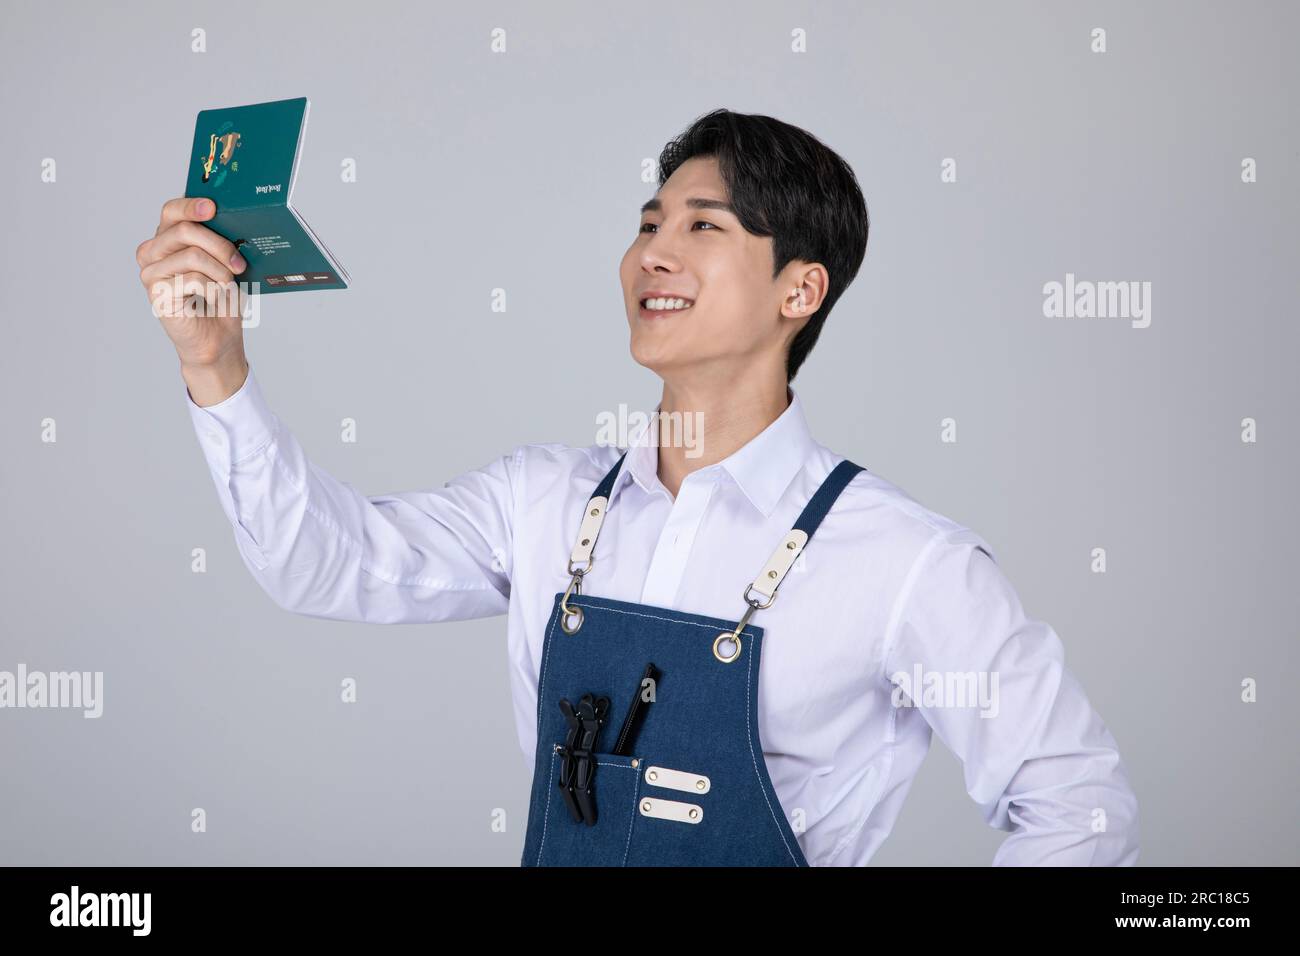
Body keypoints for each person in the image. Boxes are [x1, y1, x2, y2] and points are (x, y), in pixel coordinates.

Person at [135, 108, 1139, 866]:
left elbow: (1078, 799)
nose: (651, 250)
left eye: (704, 227)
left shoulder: (906, 562)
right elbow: (323, 564)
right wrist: (215, 362)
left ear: (800, 288)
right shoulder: (541, 502)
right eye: (649, 220)